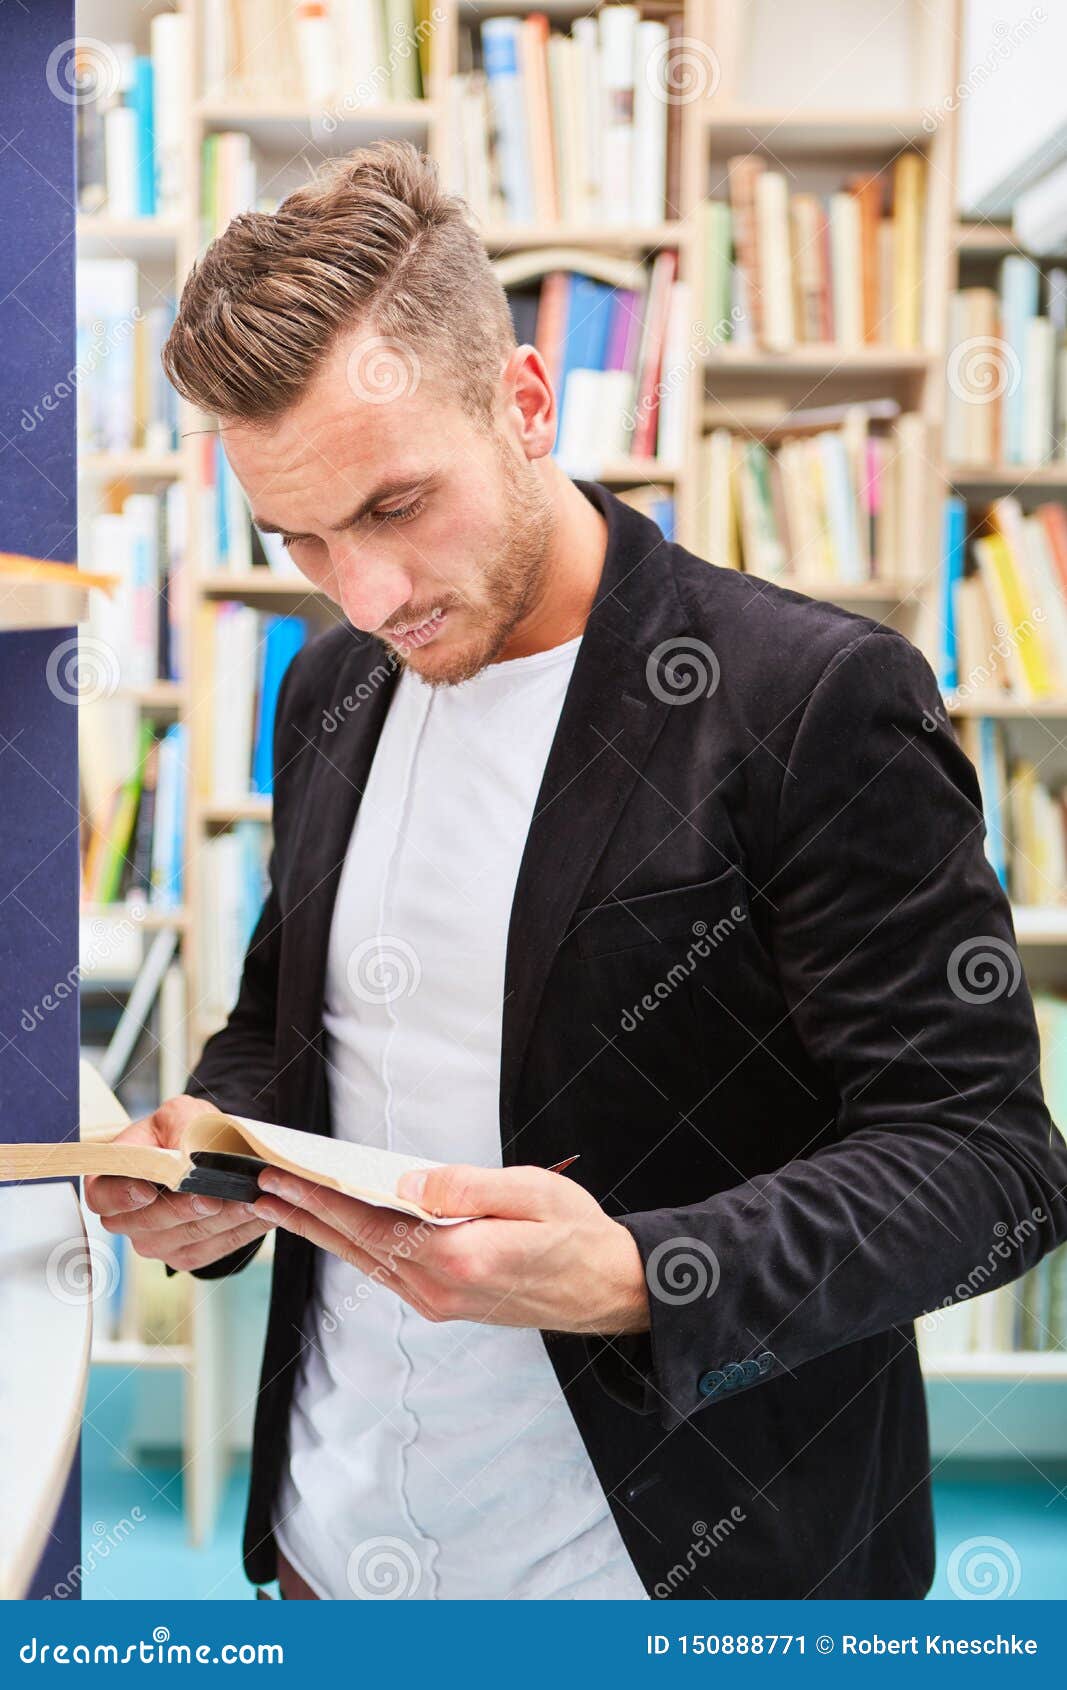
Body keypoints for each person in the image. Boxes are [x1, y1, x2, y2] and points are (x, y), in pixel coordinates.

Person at [85, 142, 1067, 1601]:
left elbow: (990, 1167)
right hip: (325, 1554)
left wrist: (638, 1273)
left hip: (669, 1584)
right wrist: (220, 1153)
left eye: (395, 508)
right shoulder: (327, 692)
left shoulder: (810, 700)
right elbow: (298, 1026)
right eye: (296, 536)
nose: (363, 597)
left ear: (527, 403)